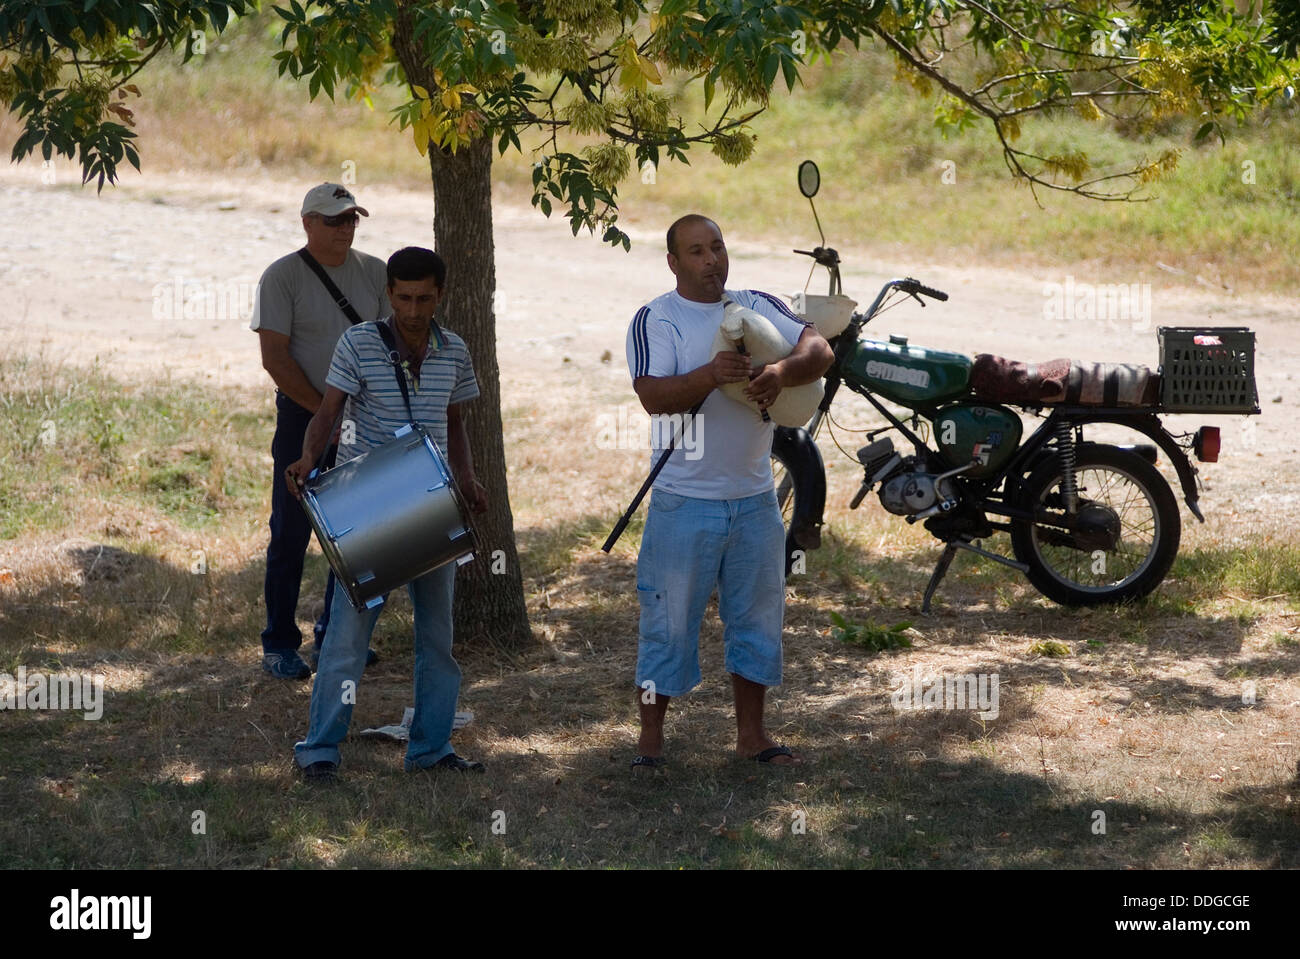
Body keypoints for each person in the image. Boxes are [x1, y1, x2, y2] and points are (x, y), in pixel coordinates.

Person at [624, 214, 834, 769]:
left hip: (754, 498)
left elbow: (820, 350)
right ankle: (650, 742)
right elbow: (653, 395)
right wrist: (711, 374)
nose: (711, 259)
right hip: (683, 499)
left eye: (716, 246)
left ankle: (753, 737)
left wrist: (783, 371)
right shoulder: (655, 319)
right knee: (667, 625)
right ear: (673, 262)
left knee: (757, 621)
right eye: (696, 251)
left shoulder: (757, 303)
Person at [286, 246, 488, 780]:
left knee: (437, 640)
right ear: (389, 294)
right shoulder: (358, 343)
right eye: (403, 298)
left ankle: (430, 749)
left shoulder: (456, 351)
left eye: (424, 298)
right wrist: (309, 458)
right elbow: (328, 413)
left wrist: (467, 479)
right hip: (367, 508)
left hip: (432, 507)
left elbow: (456, 421)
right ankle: (320, 751)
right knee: (347, 640)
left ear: (439, 295)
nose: (414, 310)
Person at [251, 183, 389, 679]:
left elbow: (391, 344)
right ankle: (279, 644)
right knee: (291, 531)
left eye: (352, 219)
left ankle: (336, 637)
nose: (345, 229)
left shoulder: (376, 272)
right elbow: (275, 358)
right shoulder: (282, 277)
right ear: (307, 222)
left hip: (364, 420)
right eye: (334, 220)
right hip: (301, 418)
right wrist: (322, 415)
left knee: (356, 533)